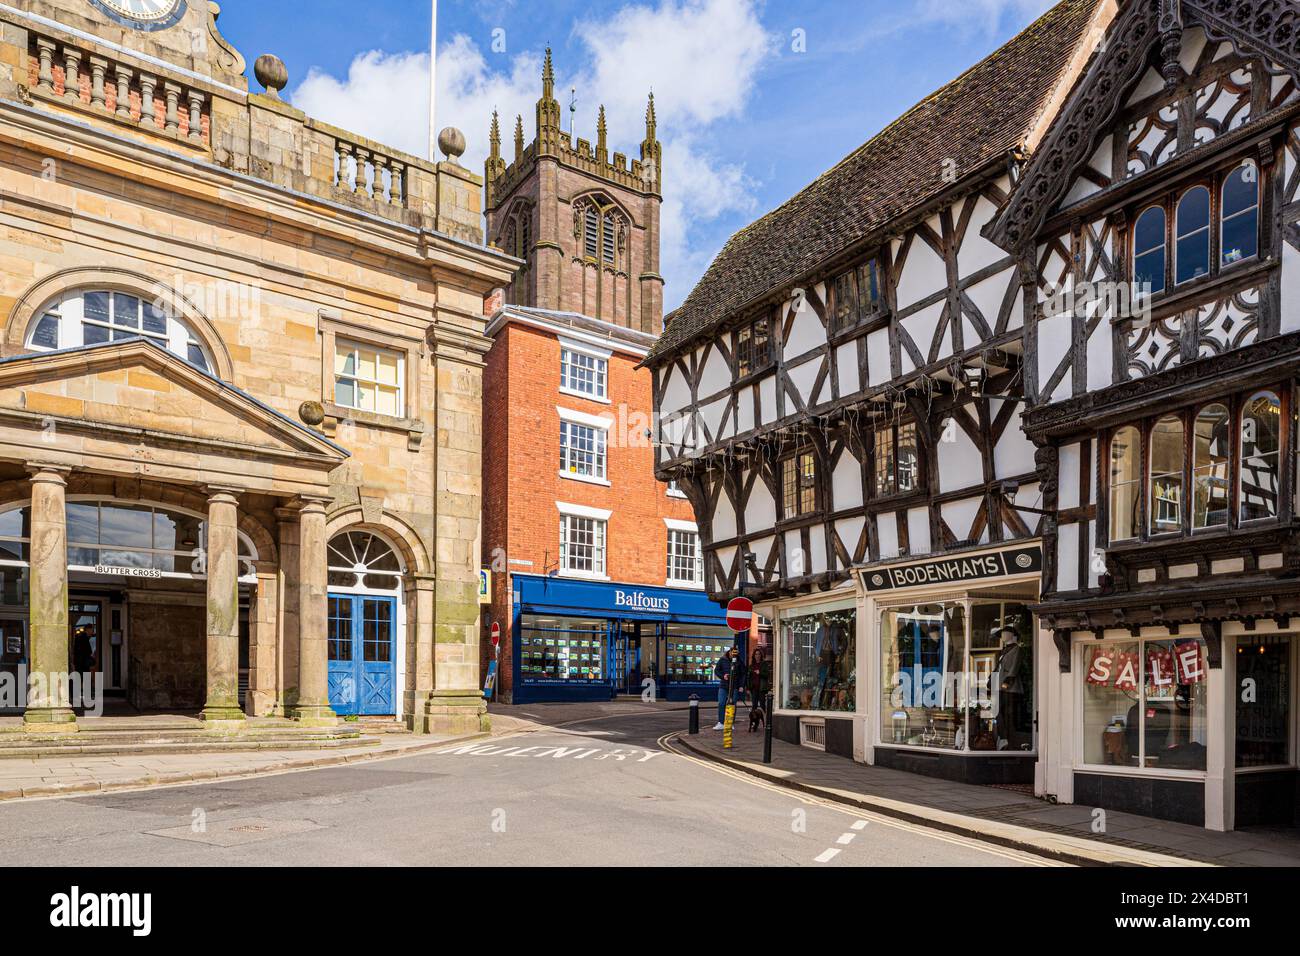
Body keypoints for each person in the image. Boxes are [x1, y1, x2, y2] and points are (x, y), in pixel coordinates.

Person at [713, 645, 740, 730]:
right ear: (729, 652)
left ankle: (730, 723)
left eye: (736, 654)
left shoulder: (739, 661)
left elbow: (742, 674)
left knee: (732, 704)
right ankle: (721, 723)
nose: (734, 655)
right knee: (721, 703)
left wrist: (741, 686)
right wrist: (723, 676)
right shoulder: (723, 660)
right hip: (723, 685)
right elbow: (716, 670)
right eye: (733, 653)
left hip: (734, 686)